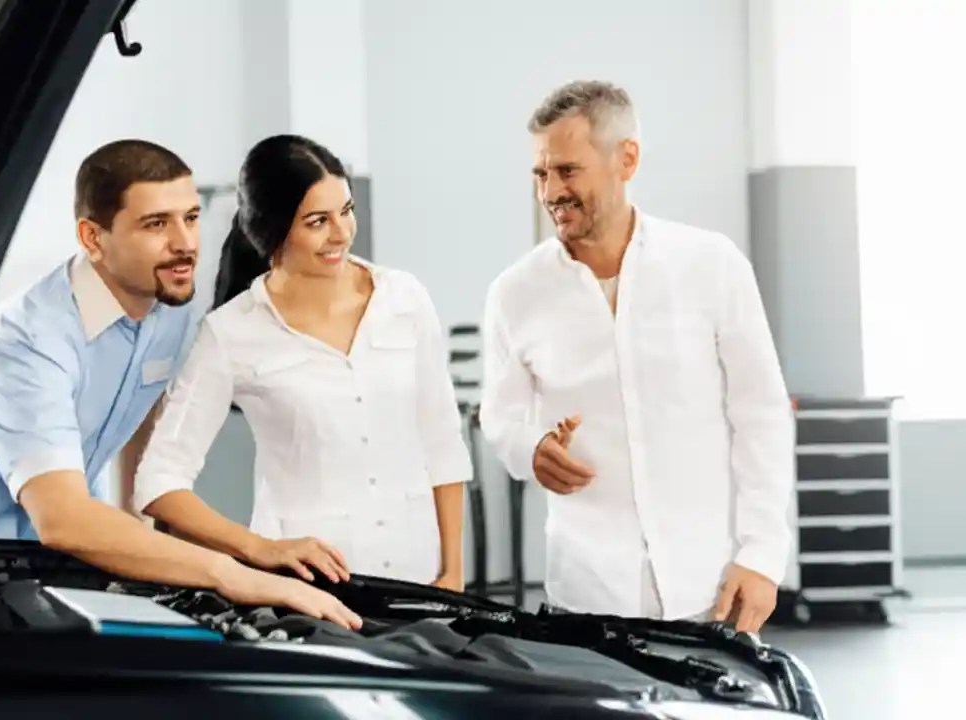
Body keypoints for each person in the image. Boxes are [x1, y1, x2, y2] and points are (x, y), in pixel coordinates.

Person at [0, 139, 360, 629]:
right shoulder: (26, 345)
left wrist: (150, 536)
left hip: (49, 572)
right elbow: (64, 519)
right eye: (156, 224)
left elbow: (143, 413)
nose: (185, 243)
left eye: (190, 217)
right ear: (93, 238)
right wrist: (235, 571)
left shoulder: (166, 307)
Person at [479, 81, 794, 632]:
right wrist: (529, 448)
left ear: (627, 159)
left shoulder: (710, 265)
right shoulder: (516, 292)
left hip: (712, 588)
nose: (551, 190)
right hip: (586, 595)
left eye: (567, 170)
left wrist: (763, 554)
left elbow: (761, 414)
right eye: (540, 174)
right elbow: (499, 416)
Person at [132, 135, 472, 591]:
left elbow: (442, 441)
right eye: (317, 221)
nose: (342, 233)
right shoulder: (231, 333)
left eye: (346, 211)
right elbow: (157, 483)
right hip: (306, 592)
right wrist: (258, 549)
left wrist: (453, 572)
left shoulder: (405, 299)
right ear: (274, 229)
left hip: (421, 584)